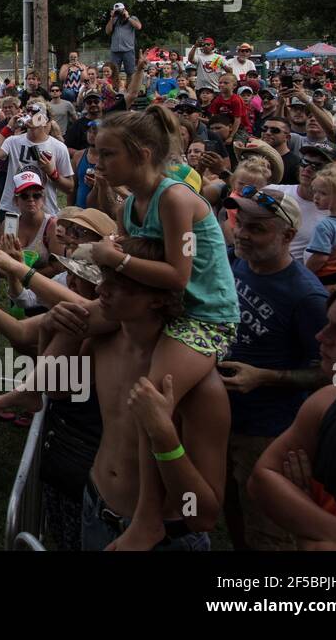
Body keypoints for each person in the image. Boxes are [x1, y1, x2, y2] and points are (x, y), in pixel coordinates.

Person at [86, 105, 239, 550]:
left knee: (151, 396)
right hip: (164, 307)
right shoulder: (131, 202)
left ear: (143, 153)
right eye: (97, 154)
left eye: (108, 155)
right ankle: (38, 388)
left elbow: (178, 276)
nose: (99, 164)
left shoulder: (174, 199)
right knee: (72, 320)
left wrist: (117, 258)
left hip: (204, 317)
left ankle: (149, 518)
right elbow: (122, 264)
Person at [62, 236, 229, 550]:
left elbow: (202, 515)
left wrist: (164, 437)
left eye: (117, 284)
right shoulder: (104, 344)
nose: (100, 290)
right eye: (103, 278)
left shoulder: (200, 388)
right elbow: (59, 393)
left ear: (157, 298)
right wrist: (62, 330)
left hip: (164, 539)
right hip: (95, 507)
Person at [218, 188, 329, 551]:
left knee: (268, 530)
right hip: (224, 418)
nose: (243, 234)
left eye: (257, 228)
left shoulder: (307, 296)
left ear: (287, 236)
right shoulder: (241, 263)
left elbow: (332, 373)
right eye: (242, 224)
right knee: (230, 509)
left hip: (268, 432)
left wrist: (265, 376)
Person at [249, 277, 336, 548]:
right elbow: (261, 480)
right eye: (328, 324)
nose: (321, 336)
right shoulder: (328, 402)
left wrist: (300, 514)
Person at [0, 102, 74, 219]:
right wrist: (9, 128)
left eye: (36, 113)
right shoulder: (13, 141)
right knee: (11, 238)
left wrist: (52, 173)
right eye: (28, 112)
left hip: (45, 212)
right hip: (13, 210)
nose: (30, 116)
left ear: (45, 120)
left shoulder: (58, 147)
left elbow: (70, 188)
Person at [106, 2, 142, 75]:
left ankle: (130, 86)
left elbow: (139, 27)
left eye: (120, 10)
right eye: (117, 11)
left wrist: (128, 17)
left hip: (128, 50)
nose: (118, 13)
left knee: (130, 73)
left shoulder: (132, 18)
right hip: (115, 51)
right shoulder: (113, 20)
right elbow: (107, 31)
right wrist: (112, 18)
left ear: (124, 10)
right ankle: (116, 86)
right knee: (114, 73)